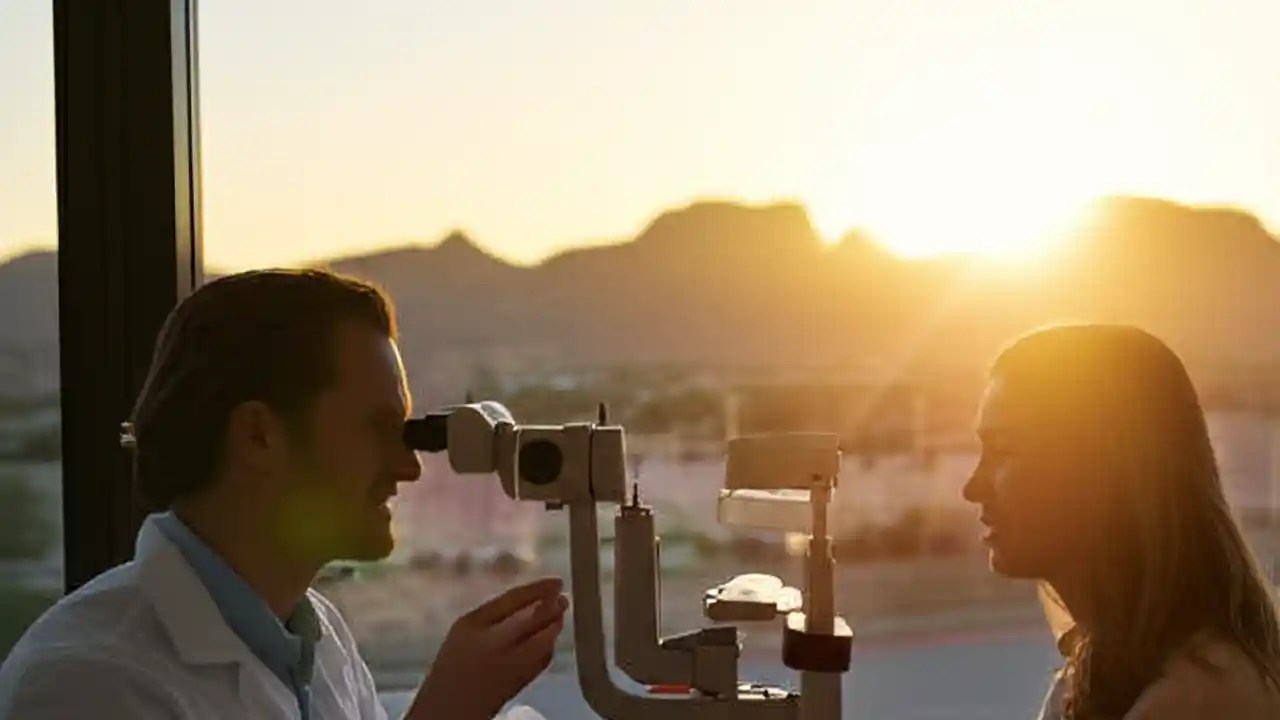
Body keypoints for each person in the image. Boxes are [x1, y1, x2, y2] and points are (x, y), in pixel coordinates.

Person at [0, 269, 567, 719]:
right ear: (258, 436)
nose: (409, 467)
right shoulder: (87, 682)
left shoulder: (315, 640)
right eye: (379, 428)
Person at [963, 324, 1280, 719]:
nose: (972, 487)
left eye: (1003, 450)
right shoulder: (1094, 675)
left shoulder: (1190, 700)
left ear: (1102, 468)